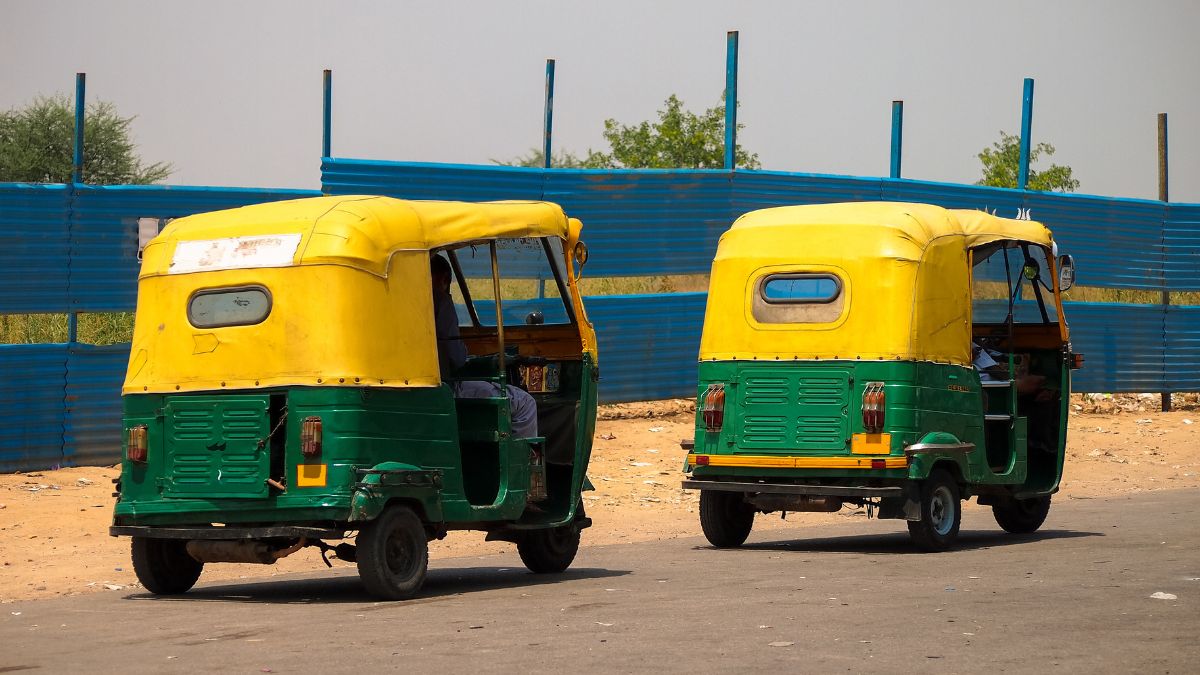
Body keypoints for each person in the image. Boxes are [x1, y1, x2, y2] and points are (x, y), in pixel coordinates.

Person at [431, 254, 538, 438]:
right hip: (444, 390)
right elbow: (457, 358)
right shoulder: (440, 302)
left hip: (409, 392)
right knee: (524, 402)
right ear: (444, 279)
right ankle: (524, 455)